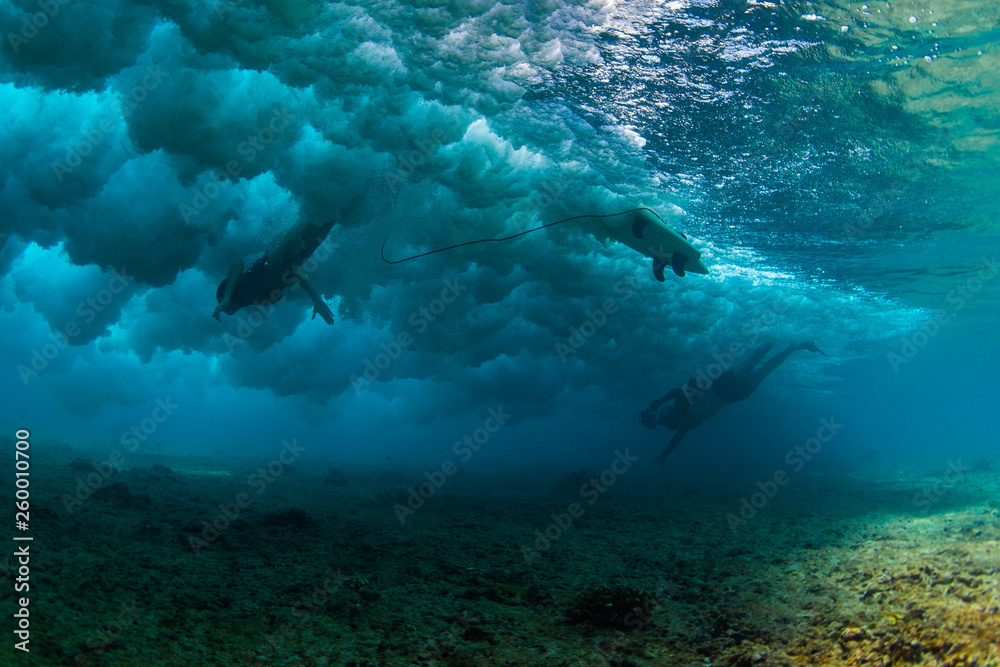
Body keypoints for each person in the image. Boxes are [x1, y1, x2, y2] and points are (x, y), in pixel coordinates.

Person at [640, 342, 825, 465]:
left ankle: (773, 339)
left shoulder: (682, 410)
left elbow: (677, 392)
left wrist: (658, 402)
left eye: (667, 423)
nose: (669, 428)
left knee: (750, 365)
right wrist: (664, 455)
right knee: (764, 371)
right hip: (730, 397)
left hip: (720, 388)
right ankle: (794, 347)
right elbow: (675, 440)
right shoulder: (686, 424)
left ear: (670, 417)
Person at [213, 218, 336, 325]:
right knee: (330, 220)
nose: (227, 311)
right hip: (293, 263)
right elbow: (296, 275)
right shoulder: (259, 299)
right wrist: (316, 299)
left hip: (278, 256)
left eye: (224, 307)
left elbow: (238, 263)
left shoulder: (240, 287)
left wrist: (226, 297)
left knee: (315, 221)